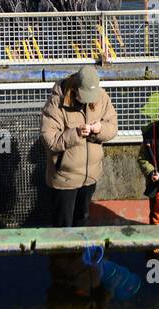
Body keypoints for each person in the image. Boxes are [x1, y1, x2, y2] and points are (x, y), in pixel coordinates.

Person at [40, 66, 118, 227]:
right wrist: (75, 133)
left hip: (90, 175)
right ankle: (62, 253)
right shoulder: (57, 101)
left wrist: (99, 129)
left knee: (82, 220)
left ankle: (80, 252)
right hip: (64, 178)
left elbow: (113, 126)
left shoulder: (101, 97)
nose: (89, 101)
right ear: (75, 89)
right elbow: (49, 139)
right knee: (63, 225)